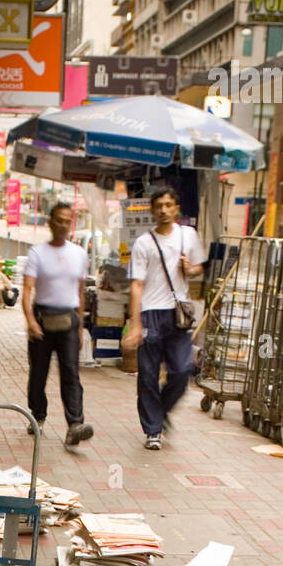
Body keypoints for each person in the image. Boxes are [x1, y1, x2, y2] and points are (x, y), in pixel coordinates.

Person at [124, 185, 205, 451]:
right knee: (147, 375)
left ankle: (160, 410)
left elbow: (197, 269)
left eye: (168, 205)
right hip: (150, 313)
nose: (164, 211)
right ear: (152, 210)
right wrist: (135, 324)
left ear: (176, 209)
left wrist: (188, 268)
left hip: (178, 313)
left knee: (182, 371)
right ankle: (153, 430)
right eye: (158, 206)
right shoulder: (144, 243)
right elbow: (136, 284)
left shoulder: (188, 235)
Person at [22, 202, 93, 448]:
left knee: (71, 374)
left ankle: (75, 425)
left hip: (69, 321)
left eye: (67, 220)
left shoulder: (79, 254)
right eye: (58, 220)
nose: (63, 225)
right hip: (42, 319)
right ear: (49, 222)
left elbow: (81, 293)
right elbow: (27, 290)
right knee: (39, 373)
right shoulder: (37, 253)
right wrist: (30, 321)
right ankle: (37, 416)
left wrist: (81, 325)